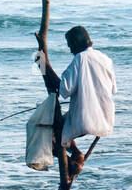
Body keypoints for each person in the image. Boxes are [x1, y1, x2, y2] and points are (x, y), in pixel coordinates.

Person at [33, 26, 117, 180]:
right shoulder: (106, 59)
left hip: (84, 119)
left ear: (75, 42)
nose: (70, 50)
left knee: (45, 133)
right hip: (105, 118)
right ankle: (76, 155)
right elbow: (112, 89)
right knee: (57, 127)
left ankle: (73, 163)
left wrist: (44, 65)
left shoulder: (80, 58)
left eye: (70, 45)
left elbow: (62, 90)